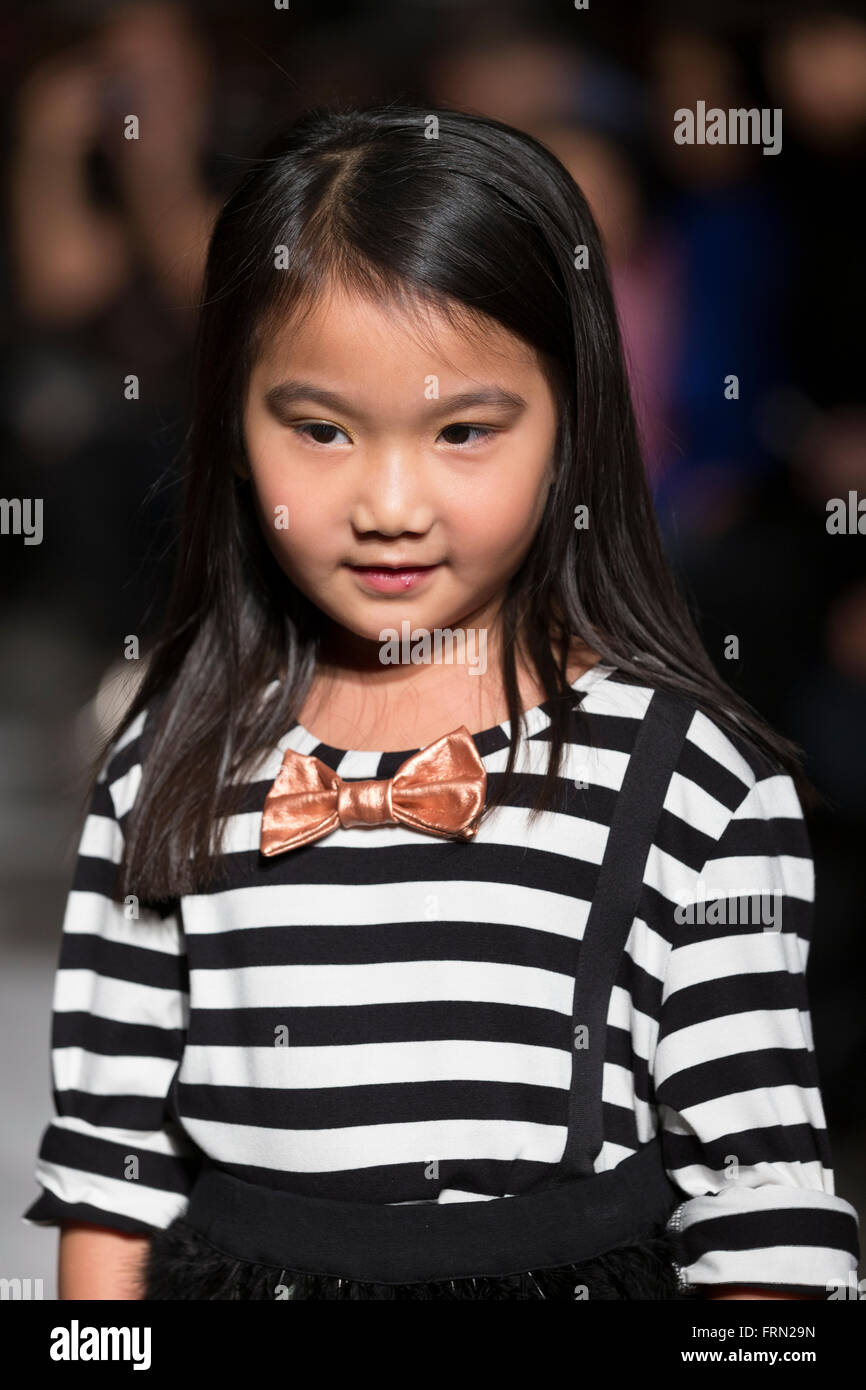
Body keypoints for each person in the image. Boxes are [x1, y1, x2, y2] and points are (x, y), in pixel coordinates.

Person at [22, 103, 859, 1301]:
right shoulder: (171, 758)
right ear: (231, 421)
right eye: (319, 428)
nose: (389, 501)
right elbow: (110, 1174)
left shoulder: (692, 780)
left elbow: (759, 1195)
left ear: (570, 424)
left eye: (463, 429)